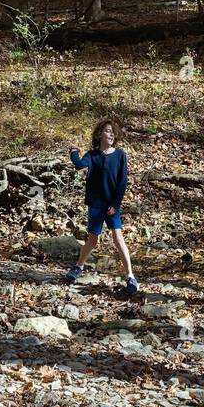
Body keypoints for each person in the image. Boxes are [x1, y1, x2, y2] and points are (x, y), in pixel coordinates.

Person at [65, 119, 138, 296]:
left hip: (112, 205)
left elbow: (122, 182)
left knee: (118, 238)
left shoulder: (120, 155)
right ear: (100, 134)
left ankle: (130, 276)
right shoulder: (93, 155)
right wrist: (74, 152)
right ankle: (78, 267)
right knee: (92, 240)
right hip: (96, 205)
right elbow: (79, 165)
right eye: (107, 131)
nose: (111, 134)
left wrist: (115, 204)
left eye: (113, 132)